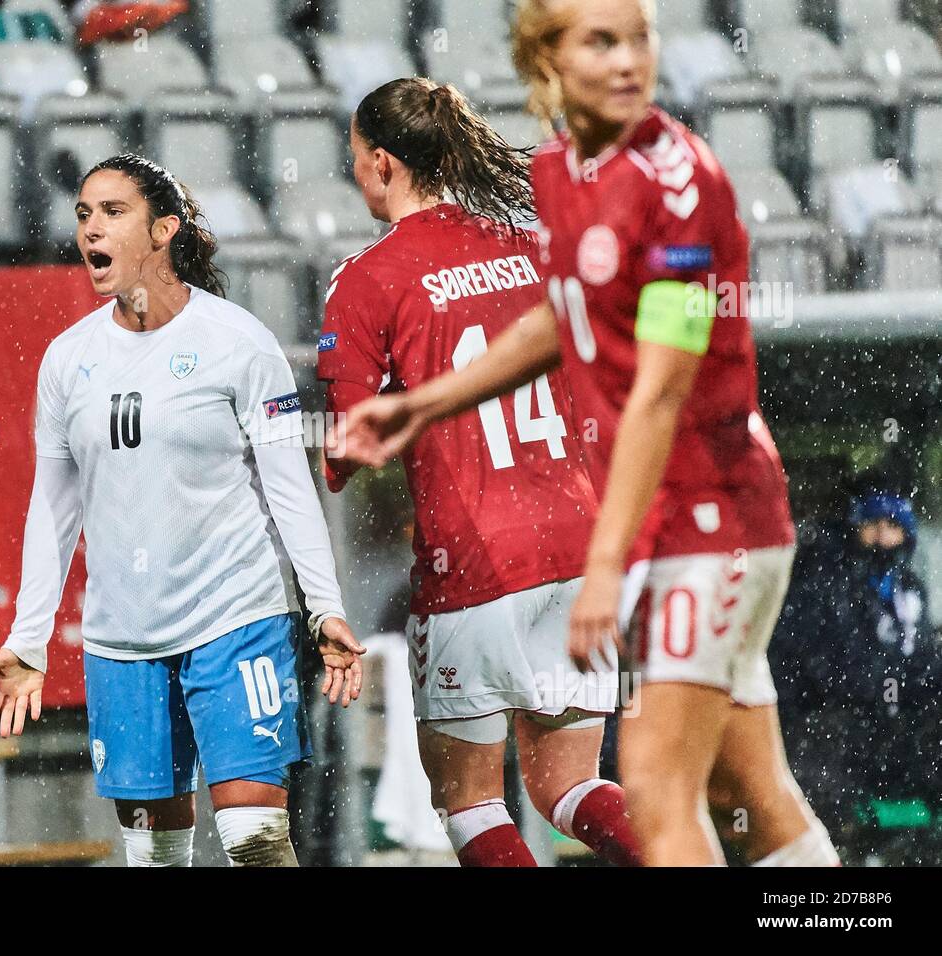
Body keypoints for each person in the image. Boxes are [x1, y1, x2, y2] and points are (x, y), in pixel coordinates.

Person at [332, 0, 838, 867]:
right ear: (546, 60)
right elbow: (557, 323)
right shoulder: (564, 179)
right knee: (745, 790)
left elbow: (664, 383)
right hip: (658, 527)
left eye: (640, 37)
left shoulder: (679, 177)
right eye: (601, 41)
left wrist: (608, 564)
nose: (629, 59)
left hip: (707, 517)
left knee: (660, 789)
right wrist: (423, 404)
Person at [0, 154, 365, 867]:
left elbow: (288, 487)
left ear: (163, 231)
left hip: (235, 620)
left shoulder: (238, 342)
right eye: (83, 214)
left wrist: (323, 606)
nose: (91, 228)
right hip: (123, 641)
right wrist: (29, 637)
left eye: (112, 212)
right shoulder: (67, 360)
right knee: (155, 857)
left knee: (254, 841)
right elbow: (54, 509)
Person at [319, 77, 639, 866]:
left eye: (357, 158)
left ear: (384, 164)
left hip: (475, 560)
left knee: (467, 801)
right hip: (579, 547)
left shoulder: (367, 281)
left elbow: (347, 453)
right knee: (569, 787)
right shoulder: (531, 249)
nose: (357, 173)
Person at [771, 487, 940, 859]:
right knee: (827, 773)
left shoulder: (909, 589)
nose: (882, 534)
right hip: (829, 721)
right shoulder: (824, 580)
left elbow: (922, 661)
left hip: (890, 723)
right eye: (872, 523)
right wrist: (886, 689)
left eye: (893, 524)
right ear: (855, 526)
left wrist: (916, 694)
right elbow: (828, 666)